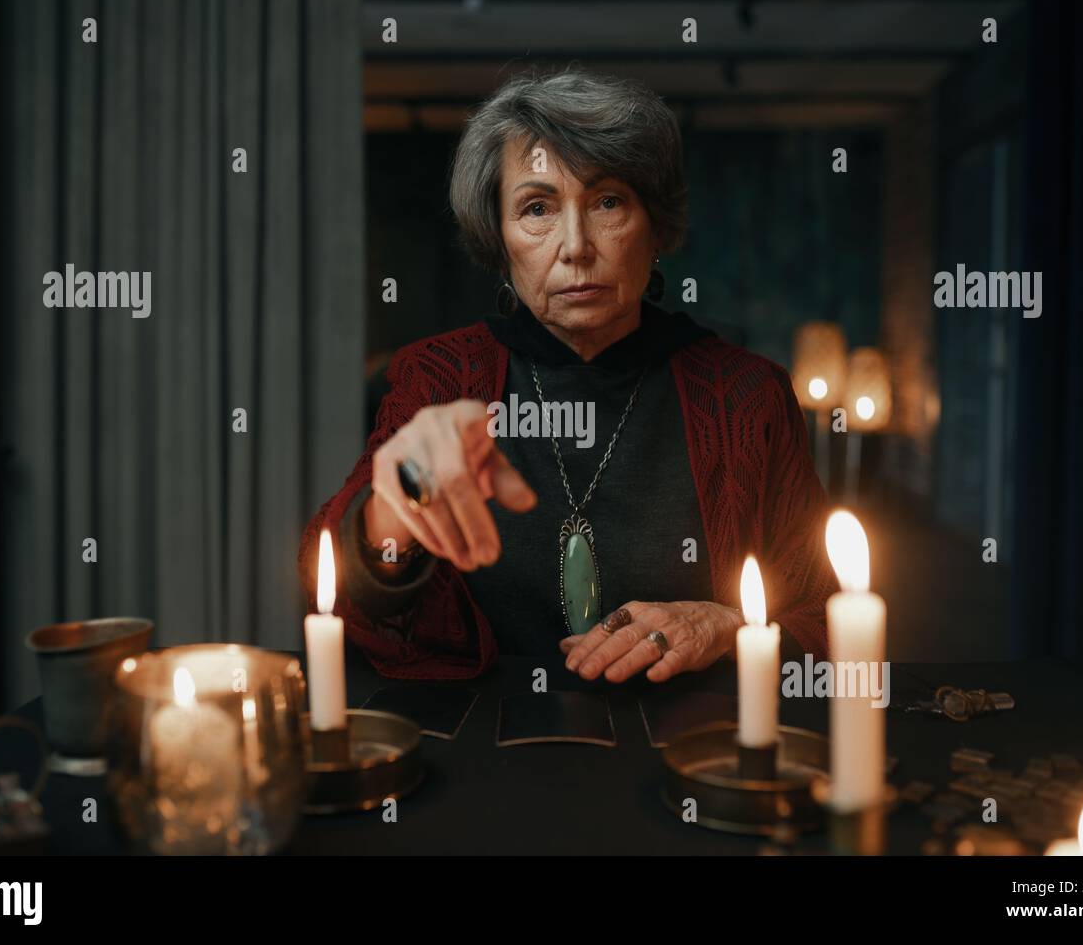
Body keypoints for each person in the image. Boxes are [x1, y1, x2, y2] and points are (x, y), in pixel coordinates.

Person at [299, 68, 836, 683]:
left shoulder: (747, 394)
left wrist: (733, 627)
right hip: (486, 746)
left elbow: (825, 617)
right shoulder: (439, 377)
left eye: (608, 202)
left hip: (691, 745)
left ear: (655, 227)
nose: (576, 245)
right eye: (537, 208)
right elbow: (339, 594)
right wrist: (401, 500)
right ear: (499, 243)